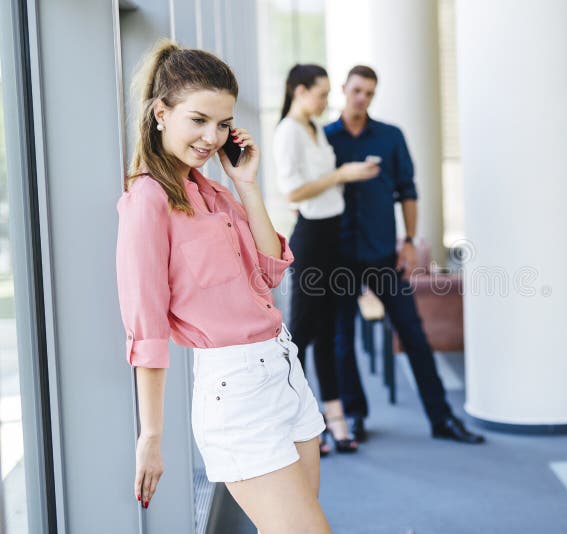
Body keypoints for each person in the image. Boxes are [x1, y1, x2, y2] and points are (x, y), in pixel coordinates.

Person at [116, 40, 331, 533]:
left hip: (284, 371)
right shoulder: (146, 201)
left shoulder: (212, 189)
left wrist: (247, 185)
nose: (211, 137)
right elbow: (145, 328)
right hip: (235, 390)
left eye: (222, 123)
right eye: (198, 120)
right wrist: (151, 435)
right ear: (160, 113)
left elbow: (273, 267)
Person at [324, 65, 485, 445]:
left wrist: (410, 240)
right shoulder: (325, 138)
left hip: (383, 254)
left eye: (369, 93)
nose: (361, 98)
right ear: (344, 89)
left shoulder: (391, 137)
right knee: (341, 340)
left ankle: (442, 418)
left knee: (413, 333)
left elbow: (408, 192)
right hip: (340, 255)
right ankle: (354, 414)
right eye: (357, 90)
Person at [273, 64, 379, 455]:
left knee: (333, 331)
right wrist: (343, 175)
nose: (325, 101)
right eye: (320, 93)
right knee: (303, 333)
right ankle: (297, 425)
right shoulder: (288, 132)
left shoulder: (314, 129)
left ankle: (333, 419)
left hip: (334, 236)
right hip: (313, 239)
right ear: (299, 91)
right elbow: (293, 192)